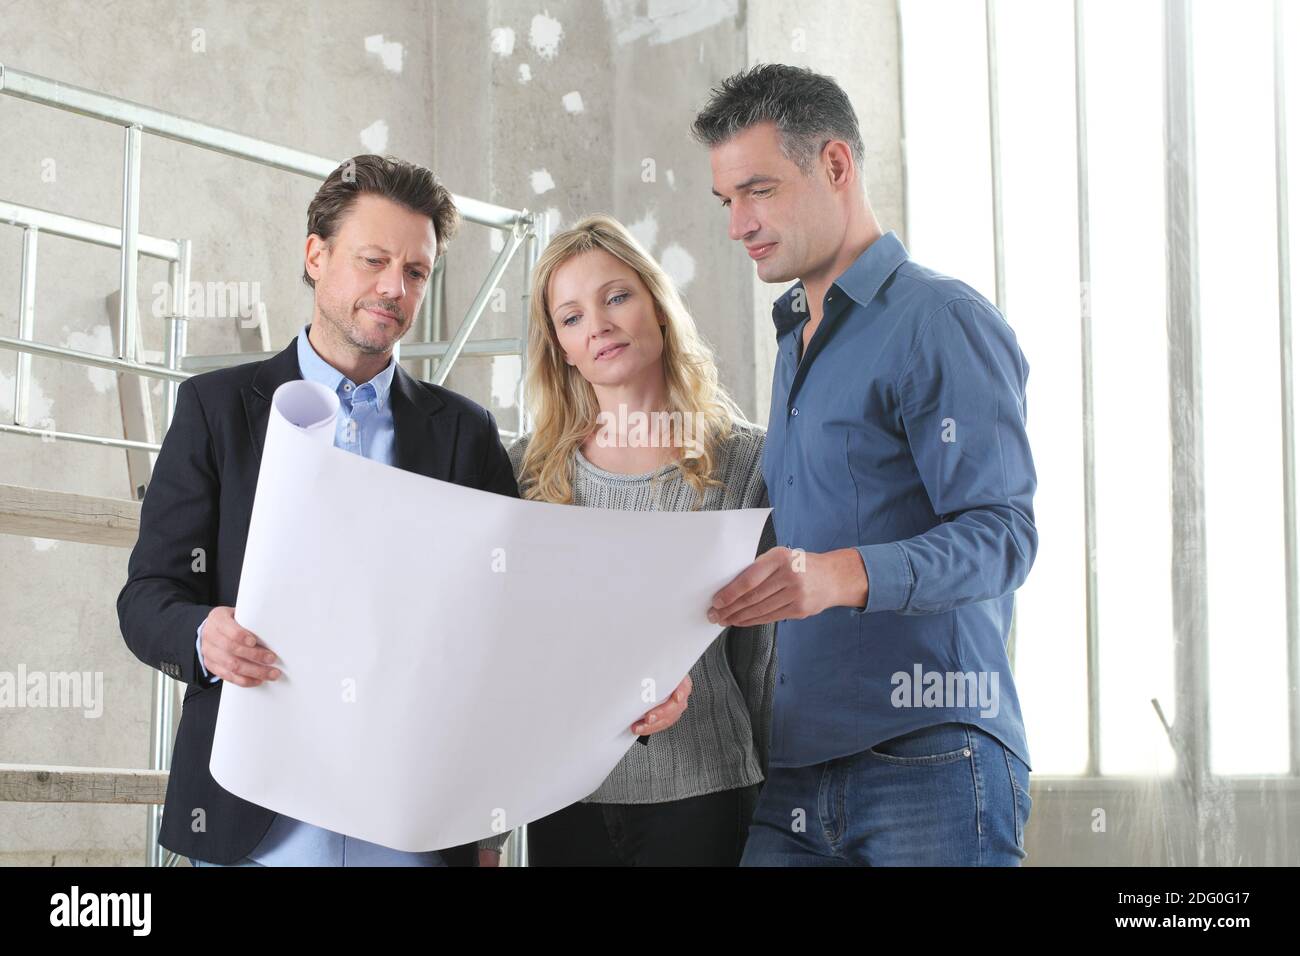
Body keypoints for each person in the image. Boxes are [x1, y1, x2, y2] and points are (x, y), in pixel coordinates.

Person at [118, 154, 521, 867]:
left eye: (416, 271)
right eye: (373, 260)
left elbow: (502, 626)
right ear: (316, 254)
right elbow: (147, 597)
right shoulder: (215, 409)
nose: (394, 288)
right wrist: (203, 635)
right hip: (254, 823)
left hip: (411, 823)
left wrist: (486, 832)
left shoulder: (465, 433)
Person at [694, 65, 1038, 866]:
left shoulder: (941, 320)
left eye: (759, 191)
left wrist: (841, 574)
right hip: (799, 764)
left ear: (837, 166)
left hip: (932, 755)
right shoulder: (795, 337)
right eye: (727, 202)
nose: (739, 223)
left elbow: (1004, 536)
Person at [501, 214, 775, 866]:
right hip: (562, 797)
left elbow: (764, 663)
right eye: (570, 317)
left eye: (616, 297)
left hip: (706, 795)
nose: (596, 325)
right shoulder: (527, 471)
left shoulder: (748, 462)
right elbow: (508, 654)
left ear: (657, 304)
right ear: (560, 347)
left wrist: (783, 813)